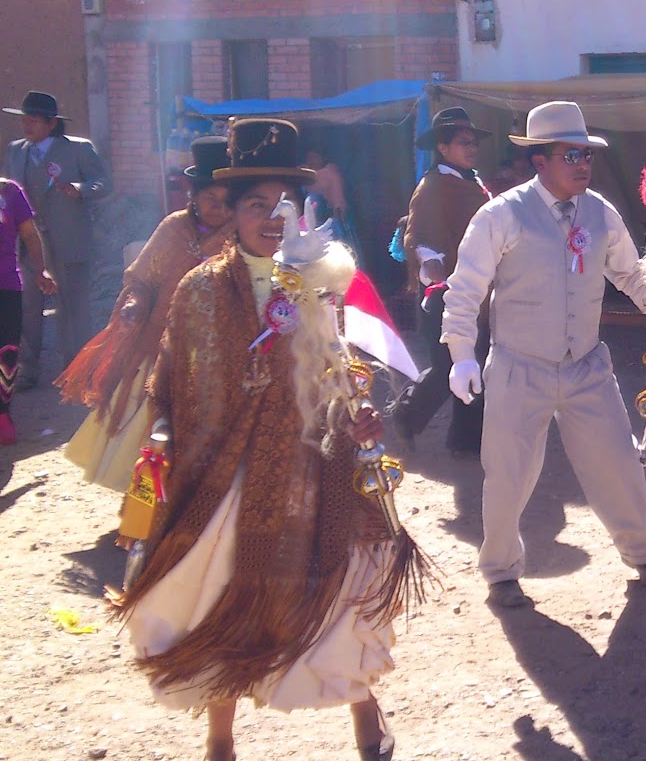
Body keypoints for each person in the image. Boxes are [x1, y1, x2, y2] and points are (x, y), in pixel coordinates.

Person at [113, 119, 429, 761]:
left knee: (340, 595)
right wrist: (166, 436)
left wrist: (362, 413)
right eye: (255, 204)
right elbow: (169, 383)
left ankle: (365, 710)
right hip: (224, 479)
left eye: (281, 204)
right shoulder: (196, 291)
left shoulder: (324, 282)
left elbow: (345, 371)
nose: (271, 217)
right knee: (217, 596)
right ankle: (220, 735)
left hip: (316, 465)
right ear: (229, 211)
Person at [443, 100, 646, 608]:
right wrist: (461, 353)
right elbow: (465, 290)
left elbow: (631, 275)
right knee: (508, 473)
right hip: (520, 364)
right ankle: (501, 570)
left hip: (587, 364)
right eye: (571, 155)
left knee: (619, 463)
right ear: (539, 161)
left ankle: (643, 556)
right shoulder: (500, 215)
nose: (583, 164)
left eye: (586, 154)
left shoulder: (601, 212)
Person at [59, 136, 235, 489]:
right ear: (194, 198)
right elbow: (142, 278)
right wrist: (134, 303)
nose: (218, 207)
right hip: (157, 344)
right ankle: (140, 493)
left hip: (213, 350)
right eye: (209, 198)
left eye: (227, 201)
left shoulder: (238, 238)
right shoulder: (173, 228)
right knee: (146, 420)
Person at [388, 107, 492, 454]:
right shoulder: (433, 186)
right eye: (464, 142)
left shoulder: (470, 183)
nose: (472, 147)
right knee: (446, 367)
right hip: (445, 295)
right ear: (443, 148)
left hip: (476, 292)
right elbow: (421, 238)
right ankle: (406, 415)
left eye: (474, 142)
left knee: (474, 362)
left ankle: (465, 441)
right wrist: (438, 286)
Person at [4, 90, 110, 389]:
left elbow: (104, 183)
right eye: (24, 120)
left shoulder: (78, 150)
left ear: (52, 124)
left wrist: (79, 188)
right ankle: (25, 369)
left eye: (33, 121)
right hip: (27, 245)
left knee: (73, 309)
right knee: (27, 308)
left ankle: (77, 368)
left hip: (69, 240)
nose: (26, 126)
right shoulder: (15, 150)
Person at [0, 175, 56, 443]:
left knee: (7, 353)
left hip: (6, 286)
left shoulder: (9, 192)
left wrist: (40, 270)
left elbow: (30, 235)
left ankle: (3, 414)